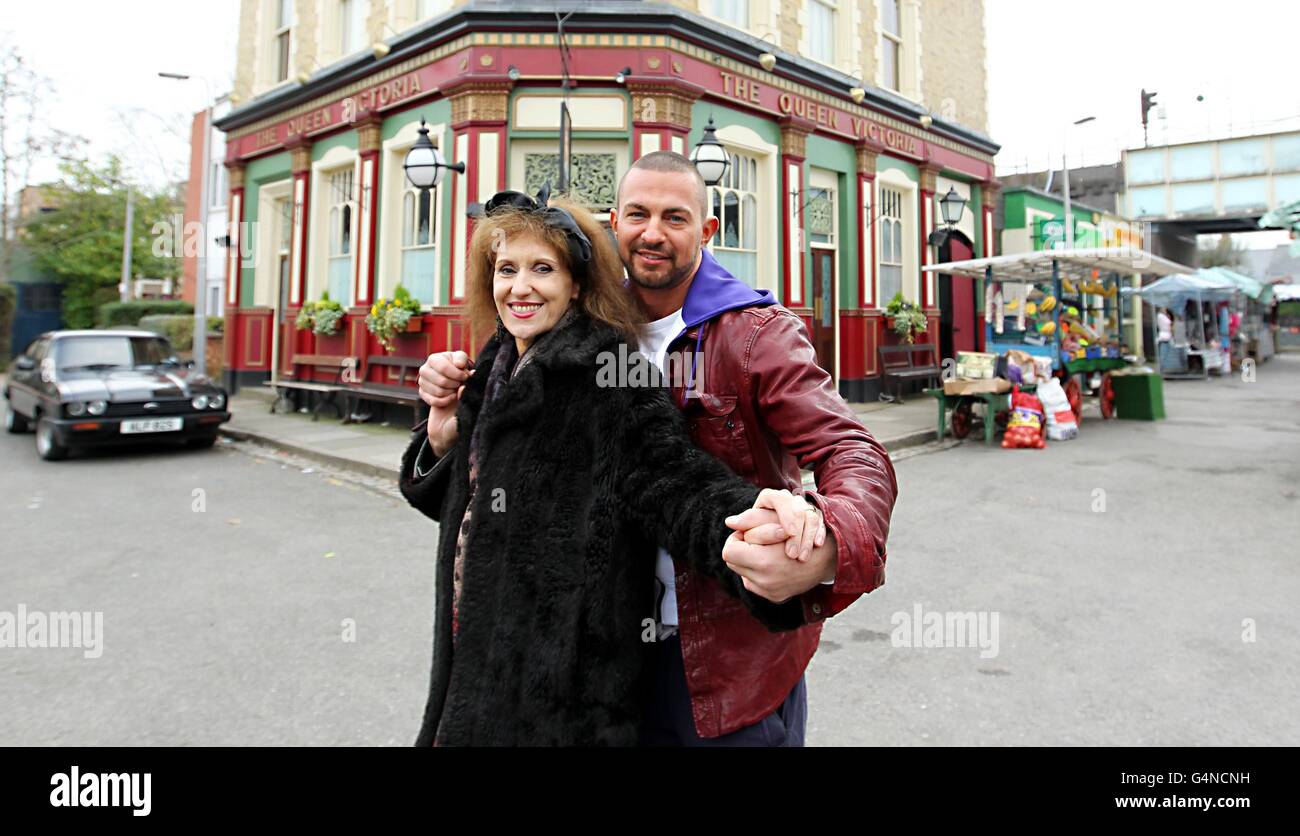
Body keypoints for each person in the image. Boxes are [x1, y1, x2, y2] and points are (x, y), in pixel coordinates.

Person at [416, 152, 898, 746]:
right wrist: (443, 431)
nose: (652, 233)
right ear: (614, 222)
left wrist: (827, 540)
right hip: (606, 658)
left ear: (707, 230)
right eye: (638, 214)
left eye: (675, 218)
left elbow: (847, 447)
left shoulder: (755, 334)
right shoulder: (574, 331)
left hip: (716, 659)